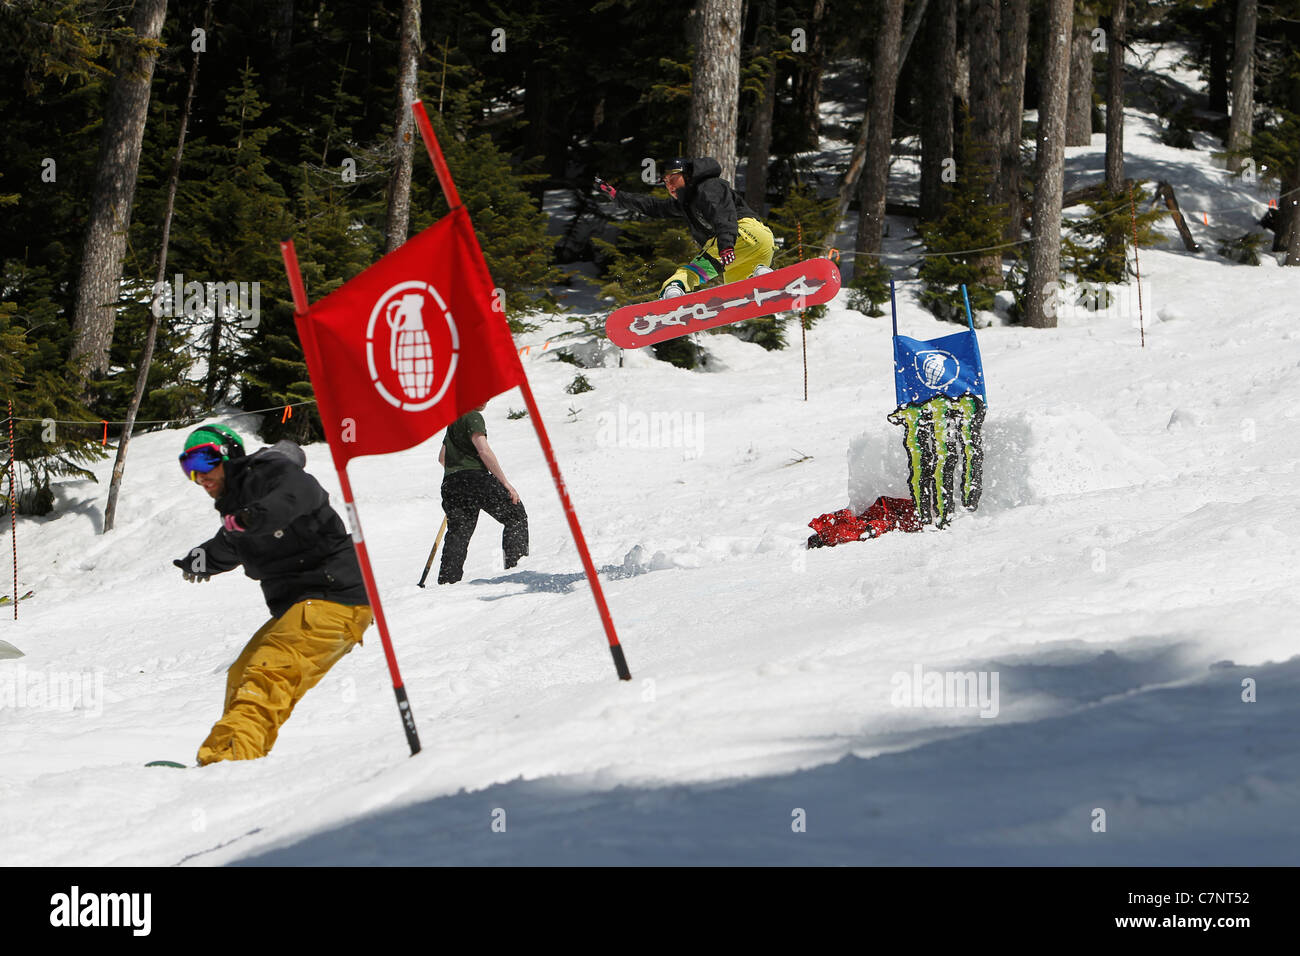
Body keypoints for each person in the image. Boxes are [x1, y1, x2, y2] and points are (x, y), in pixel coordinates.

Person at [173, 424, 372, 766]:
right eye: (188, 469)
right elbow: (228, 544)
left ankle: (228, 759)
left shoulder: (271, 473)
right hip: (304, 606)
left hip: (333, 598)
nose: (199, 476)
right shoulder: (237, 507)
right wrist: (199, 560)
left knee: (267, 674)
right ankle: (241, 759)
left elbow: (298, 493)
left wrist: (256, 517)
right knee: (243, 673)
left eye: (204, 461)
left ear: (229, 454)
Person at [596, 156, 775, 299]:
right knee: (740, 293)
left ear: (687, 176)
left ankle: (674, 289)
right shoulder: (686, 203)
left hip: (742, 235)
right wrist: (617, 196)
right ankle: (760, 277)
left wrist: (726, 243)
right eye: (665, 182)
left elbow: (723, 212)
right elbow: (653, 206)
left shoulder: (709, 186)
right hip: (757, 247)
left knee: (692, 272)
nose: (670, 186)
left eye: (673, 179)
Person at [437, 401, 529, 584]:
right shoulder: (473, 416)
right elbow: (483, 450)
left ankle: (448, 582)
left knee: (459, 532)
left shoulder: (453, 421)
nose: (486, 400)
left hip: (451, 483)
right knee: (515, 514)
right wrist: (505, 483)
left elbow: (442, 458)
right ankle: (517, 569)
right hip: (474, 478)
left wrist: (458, 471)